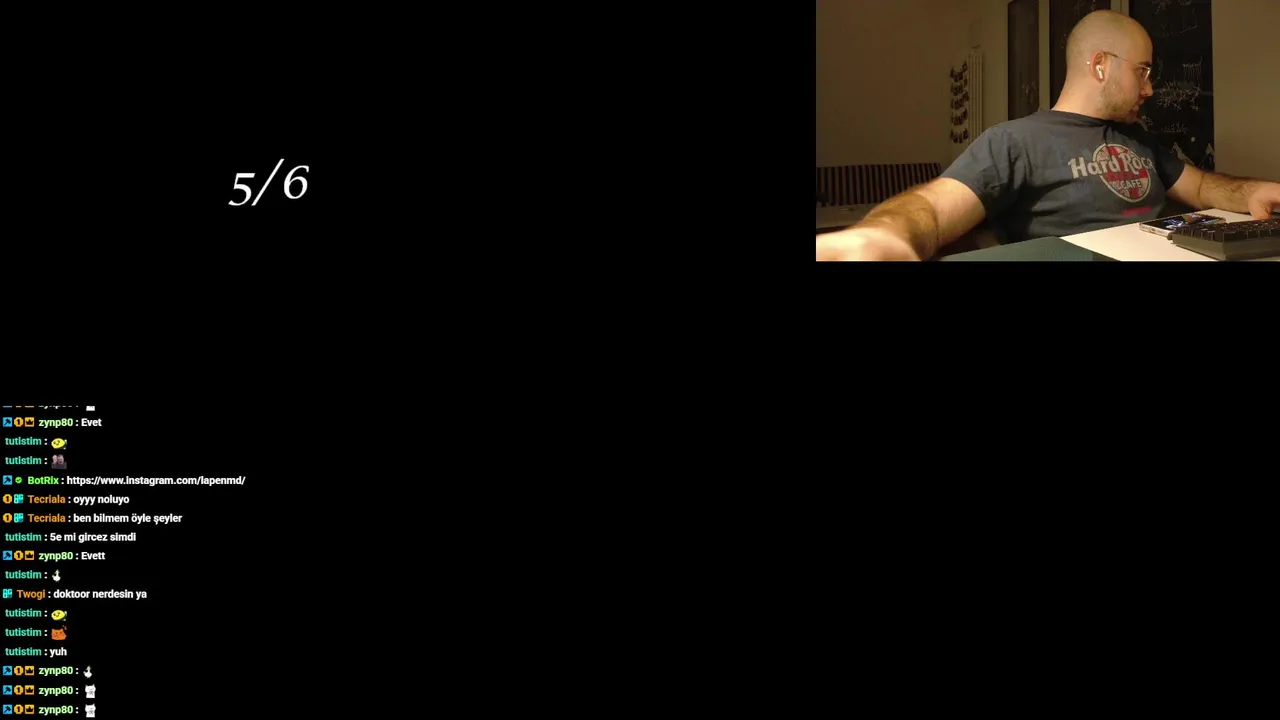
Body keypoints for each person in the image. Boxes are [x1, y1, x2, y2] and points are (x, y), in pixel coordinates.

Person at [816, 9, 1280, 261]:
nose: (1150, 88)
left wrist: (1252, 191)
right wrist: (884, 234)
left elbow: (1199, 186)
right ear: (1100, 65)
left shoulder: (1139, 138)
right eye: (1142, 71)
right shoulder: (1014, 141)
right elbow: (934, 208)